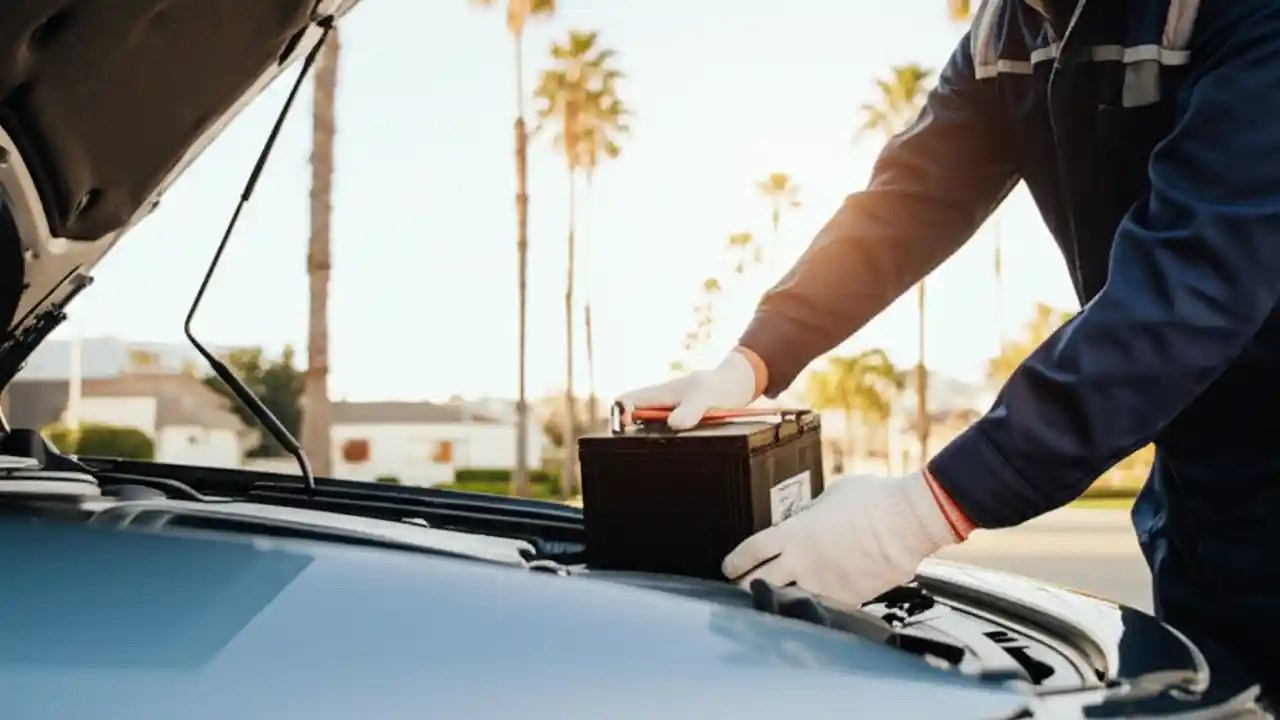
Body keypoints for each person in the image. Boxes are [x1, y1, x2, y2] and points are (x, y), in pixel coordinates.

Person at [617, 0, 1280, 691]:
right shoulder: (1007, 30)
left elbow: (1194, 282)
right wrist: (753, 359)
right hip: (1201, 491)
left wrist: (916, 514)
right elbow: (909, 200)